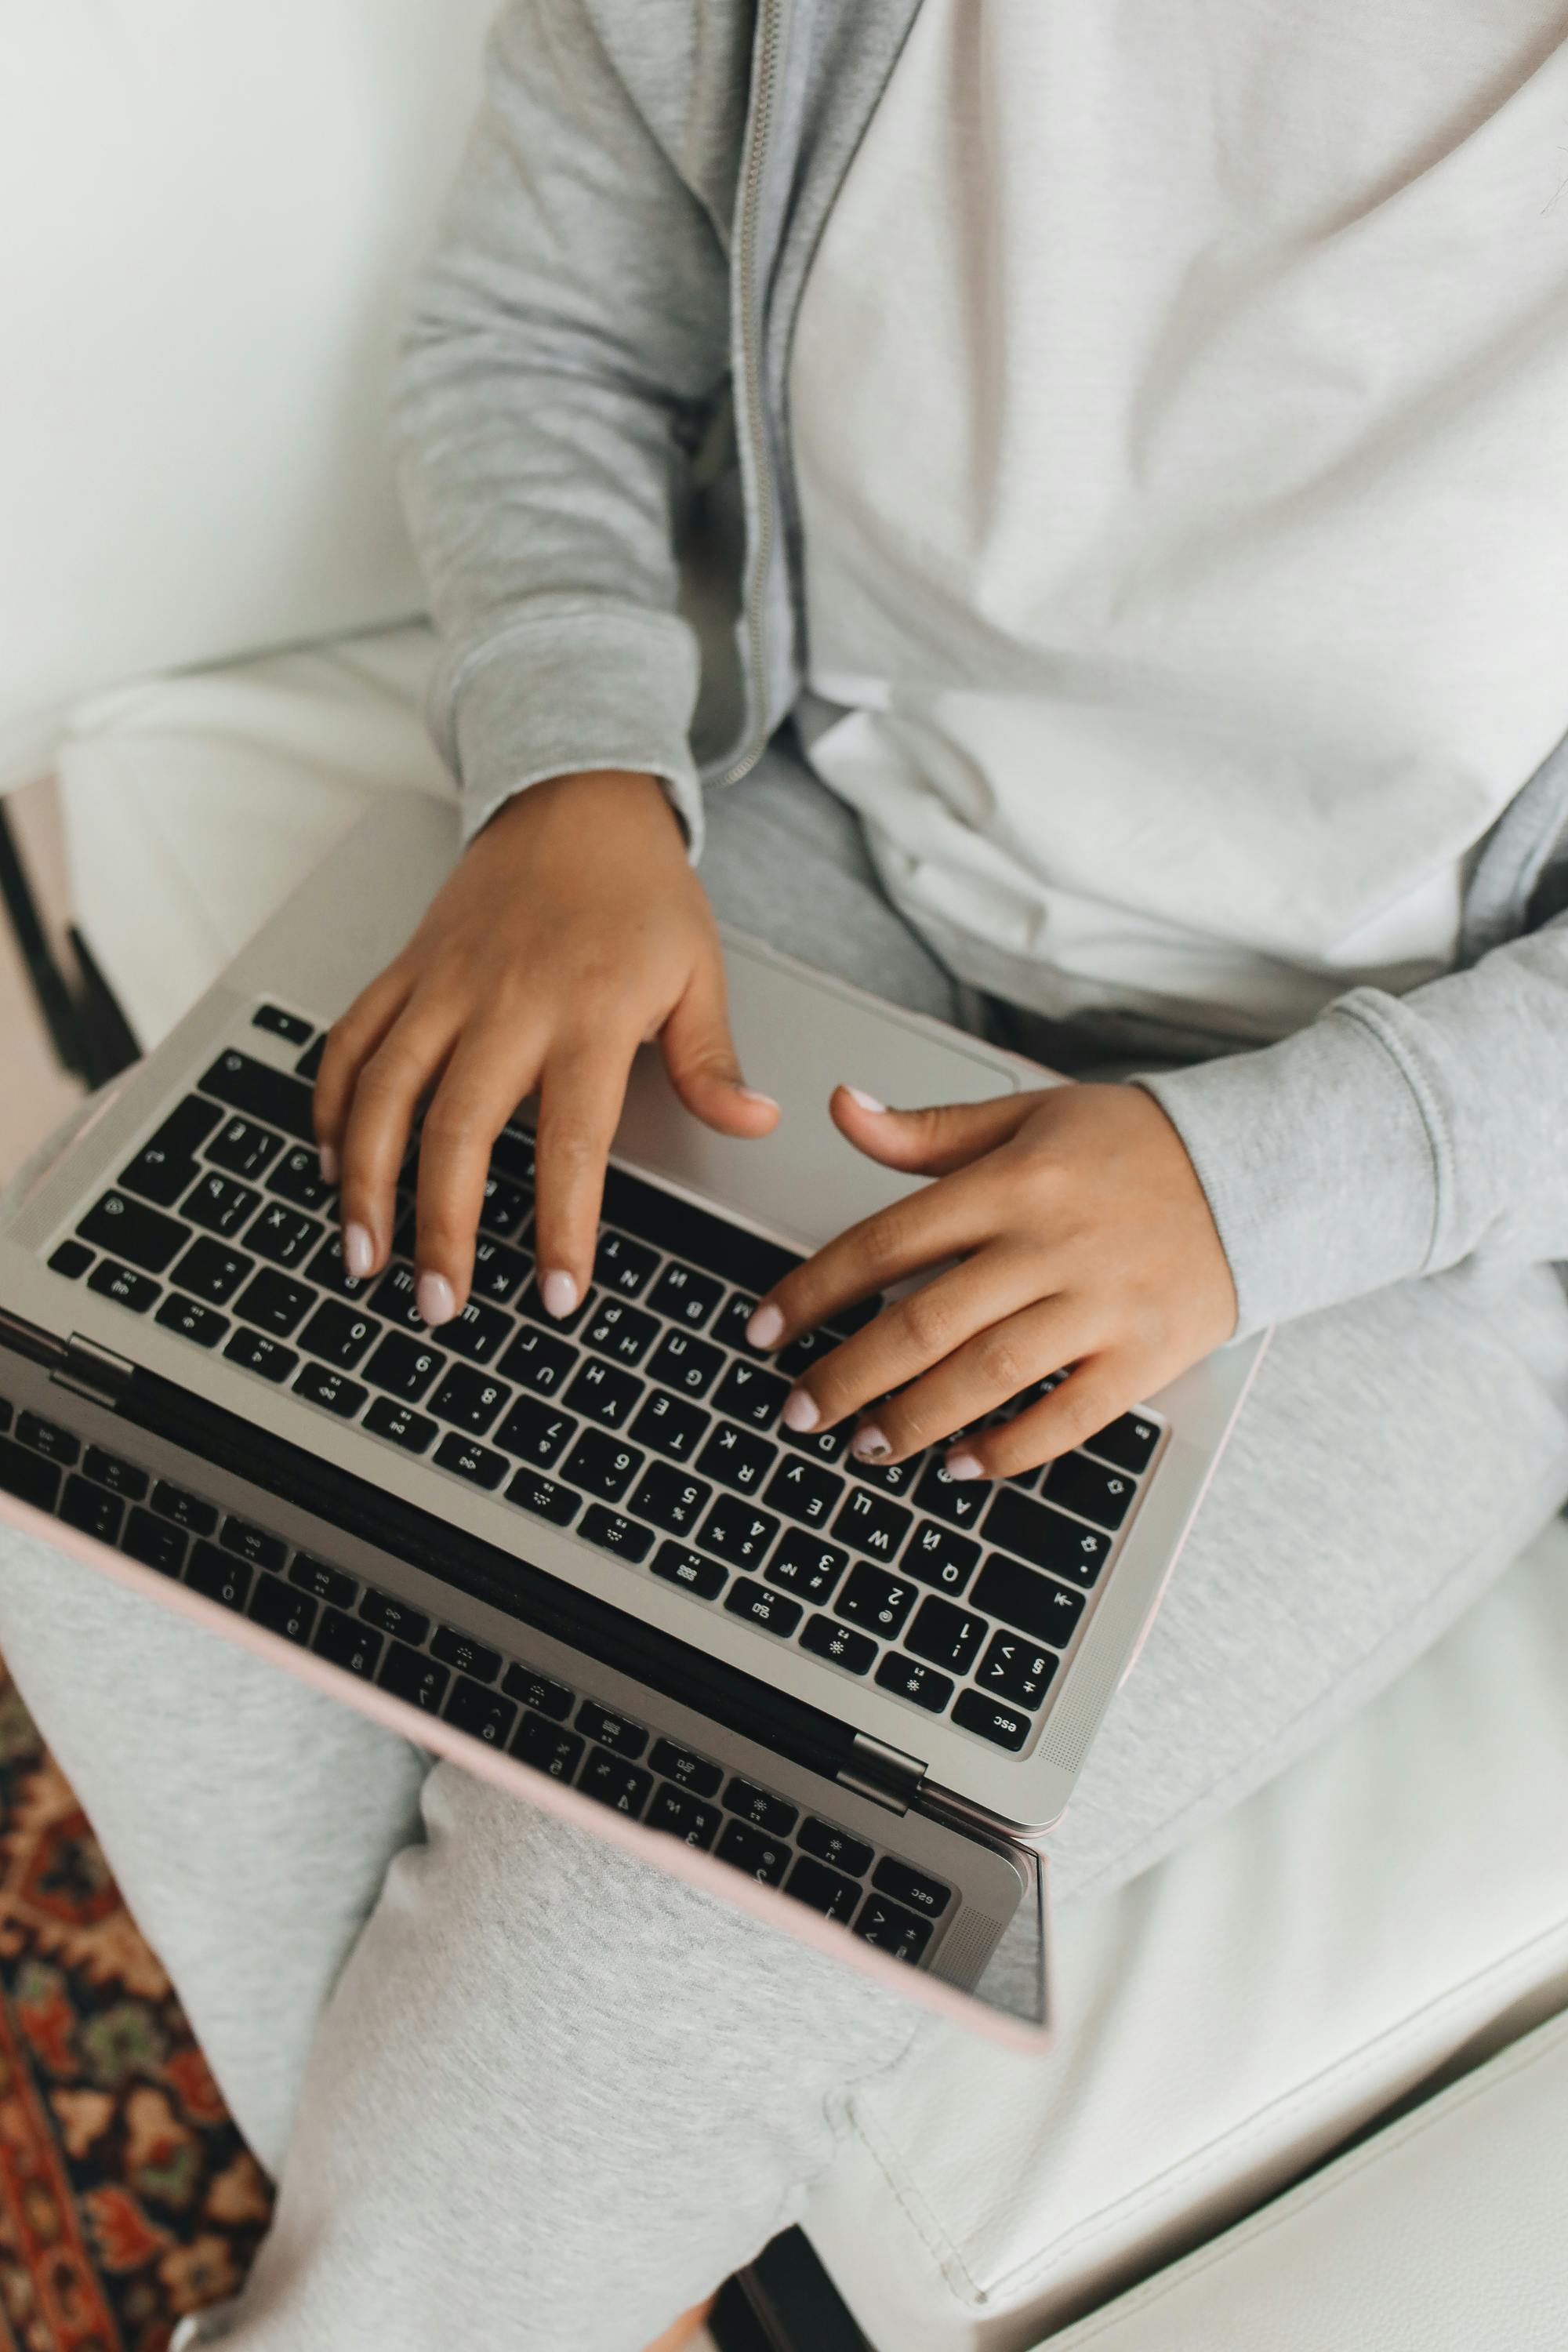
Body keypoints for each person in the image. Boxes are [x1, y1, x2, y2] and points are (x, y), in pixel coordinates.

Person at [6, 4, 1568, 2346]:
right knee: (110, 1493)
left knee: (645, 1897)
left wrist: (1271, 1182)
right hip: (829, 857)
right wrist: (569, 779)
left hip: (1405, 1192)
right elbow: (536, 329)